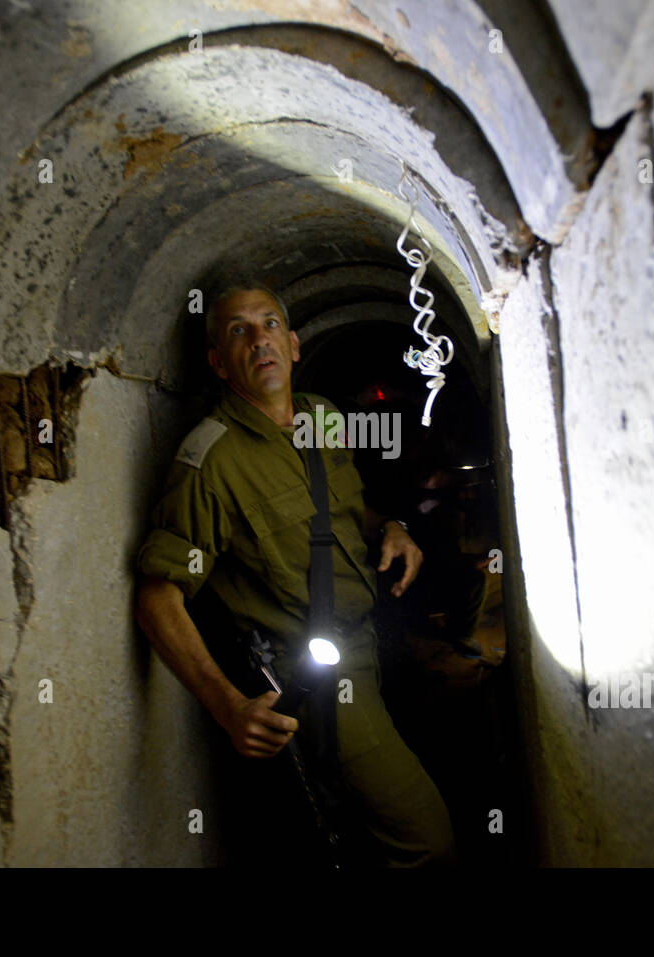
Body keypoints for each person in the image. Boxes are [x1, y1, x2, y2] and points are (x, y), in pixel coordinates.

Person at [134, 278, 456, 867]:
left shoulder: (322, 416)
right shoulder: (211, 459)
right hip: (315, 679)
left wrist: (392, 528)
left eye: (269, 324)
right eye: (238, 331)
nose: (259, 339)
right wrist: (229, 705)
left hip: (372, 636)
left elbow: (343, 511)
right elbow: (158, 596)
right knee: (426, 839)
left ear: (295, 343)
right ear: (217, 362)